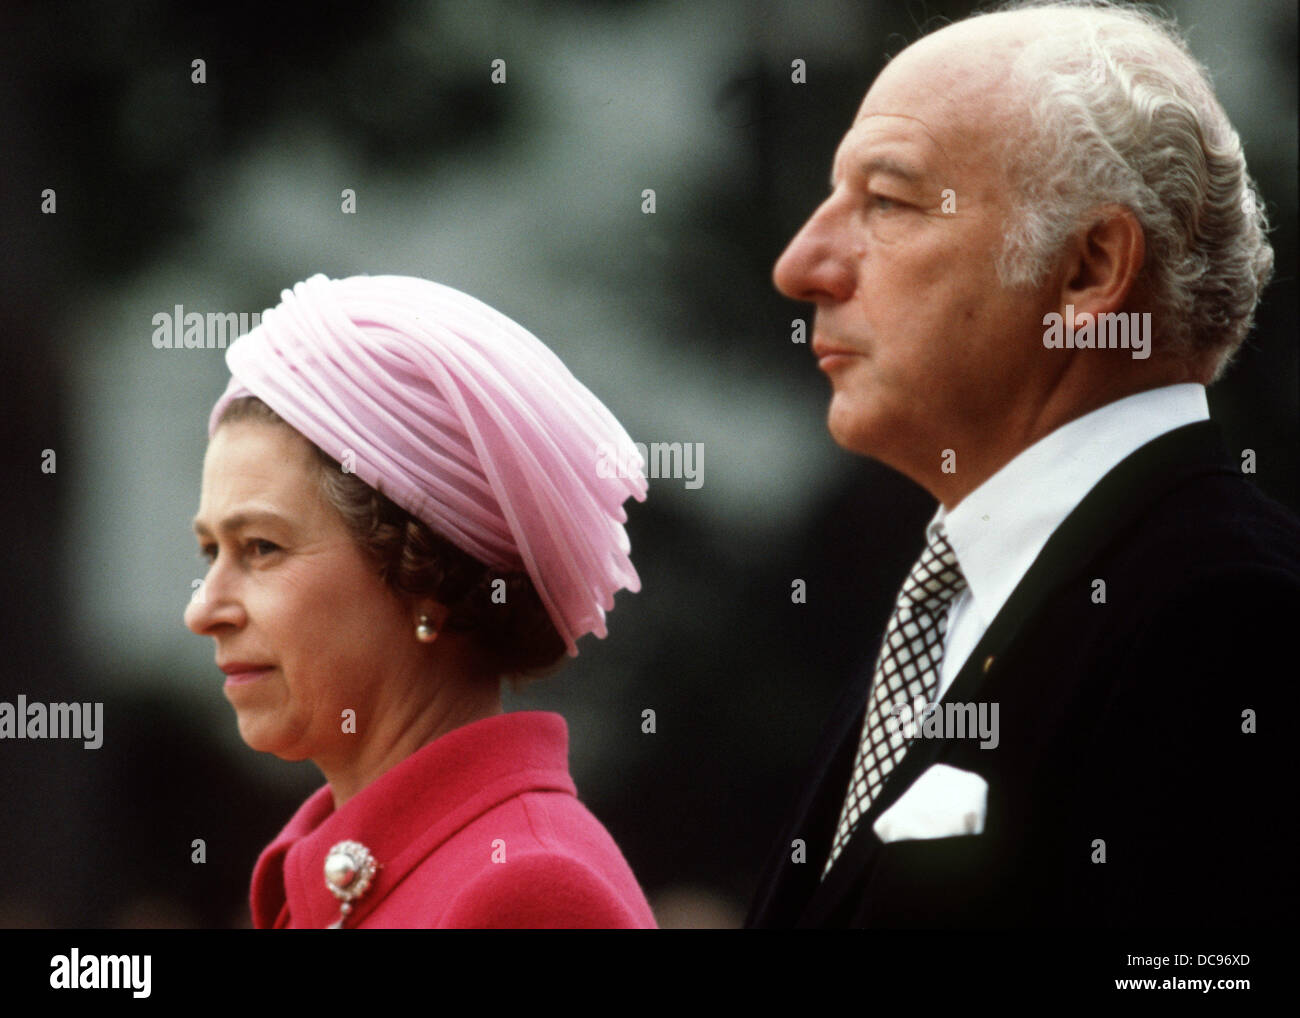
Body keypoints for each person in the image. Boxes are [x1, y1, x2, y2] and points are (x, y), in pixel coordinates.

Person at [747, 0, 1299, 928]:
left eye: (886, 201)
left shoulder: (1233, 617)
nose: (802, 265)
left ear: (1089, 271)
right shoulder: (970, 593)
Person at [185, 272, 656, 929]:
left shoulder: (526, 891)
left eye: (261, 548)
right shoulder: (345, 876)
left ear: (423, 575)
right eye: (212, 553)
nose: (203, 610)